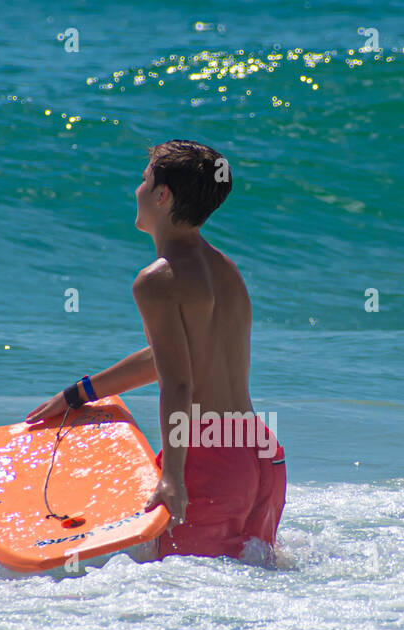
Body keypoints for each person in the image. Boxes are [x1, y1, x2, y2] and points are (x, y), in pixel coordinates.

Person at [26, 139, 285, 561]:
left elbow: (179, 380)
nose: (137, 189)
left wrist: (173, 477)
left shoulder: (157, 279)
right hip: (259, 453)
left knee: (177, 601)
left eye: (144, 179)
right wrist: (80, 394)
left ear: (162, 196)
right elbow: (174, 358)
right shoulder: (225, 268)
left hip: (208, 460)